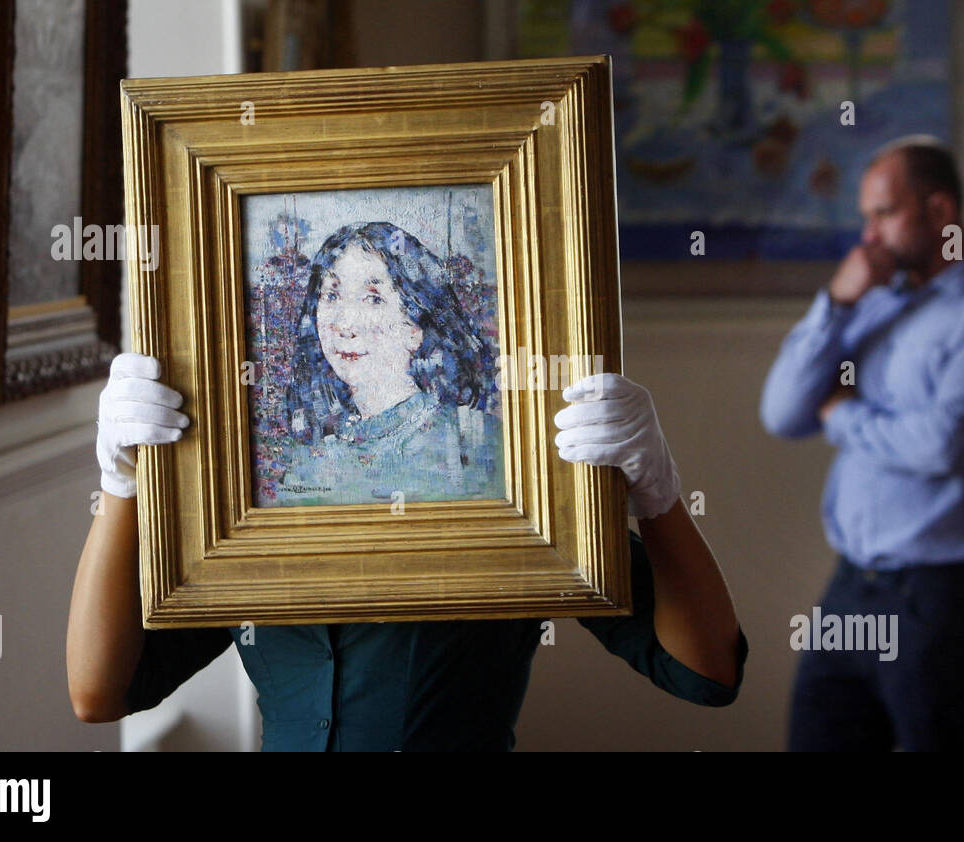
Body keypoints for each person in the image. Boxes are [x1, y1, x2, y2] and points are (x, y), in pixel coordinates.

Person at [72, 354, 747, 751]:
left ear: (418, 322)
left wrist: (657, 494)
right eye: (329, 290)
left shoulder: (500, 480)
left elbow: (705, 672)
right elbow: (100, 692)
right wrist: (120, 485)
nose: (343, 317)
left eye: (375, 294)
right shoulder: (254, 489)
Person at [760, 136, 964, 751]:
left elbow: (943, 447)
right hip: (849, 588)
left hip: (940, 602)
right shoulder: (869, 304)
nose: (869, 236)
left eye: (884, 214)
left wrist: (841, 415)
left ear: (940, 210)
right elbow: (783, 413)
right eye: (865, 217)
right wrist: (838, 301)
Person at [277, 221, 503, 505]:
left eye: (373, 299)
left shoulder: (473, 444)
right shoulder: (307, 467)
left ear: (415, 326)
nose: (344, 324)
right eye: (332, 295)